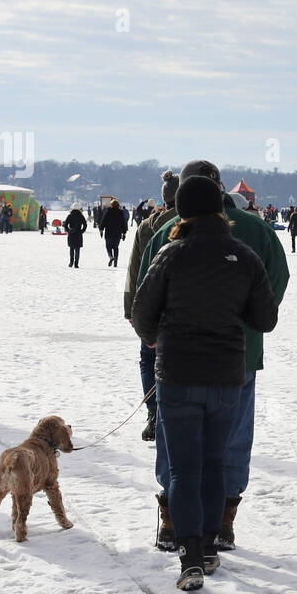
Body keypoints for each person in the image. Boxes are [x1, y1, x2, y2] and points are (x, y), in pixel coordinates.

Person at [131, 176, 279, 591]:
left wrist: (165, 331)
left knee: (183, 469)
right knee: (214, 464)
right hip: (226, 377)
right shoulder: (243, 255)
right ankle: (210, 546)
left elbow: (142, 317)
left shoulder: (170, 254)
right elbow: (265, 319)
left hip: (177, 375)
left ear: (182, 211)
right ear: (221, 209)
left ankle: (190, 555)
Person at [125, 171, 180, 441]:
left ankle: (153, 412)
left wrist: (130, 308)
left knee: (148, 359)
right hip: (179, 306)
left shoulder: (147, 225)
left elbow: (134, 269)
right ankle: (171, 416)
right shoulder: (188, 222)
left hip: (148, 305)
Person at [100, 198, 127, 266]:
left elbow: (103, 221)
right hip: (117, 233)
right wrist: (124, 233)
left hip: (109, 233)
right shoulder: (120, 212)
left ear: (111, 205)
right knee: (116, 247)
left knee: (108, 247)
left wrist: (101, 229)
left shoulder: (108, 211)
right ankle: (115, 262)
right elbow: (123, 223)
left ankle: (111, 257)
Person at [64, 203, 87, 267]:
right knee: (77, 249)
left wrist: (68, 230)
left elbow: (65, 225)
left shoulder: (70, 216)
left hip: (71, 234)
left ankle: (71, 262)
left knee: (71, 248)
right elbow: (85, 225)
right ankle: (76, 263)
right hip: (78, 234)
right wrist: (82, 231)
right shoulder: (81, 216)